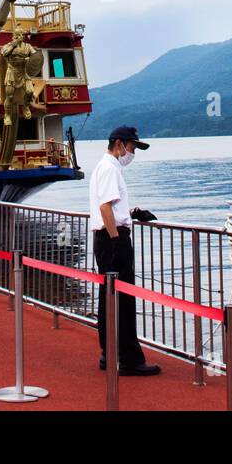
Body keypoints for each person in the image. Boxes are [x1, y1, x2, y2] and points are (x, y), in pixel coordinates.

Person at [90, 125, 159, 376]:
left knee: (110, 299)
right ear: (119, 144)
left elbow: (112, 209)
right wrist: (117, 238)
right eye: (131, 147)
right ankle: (128, 359)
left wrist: (131, 214)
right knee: (123, 299)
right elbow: (105, 208)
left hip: (106, 238)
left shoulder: (106, 167)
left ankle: (109, 354)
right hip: (112, 240)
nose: (132, 153)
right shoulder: (109, 168)